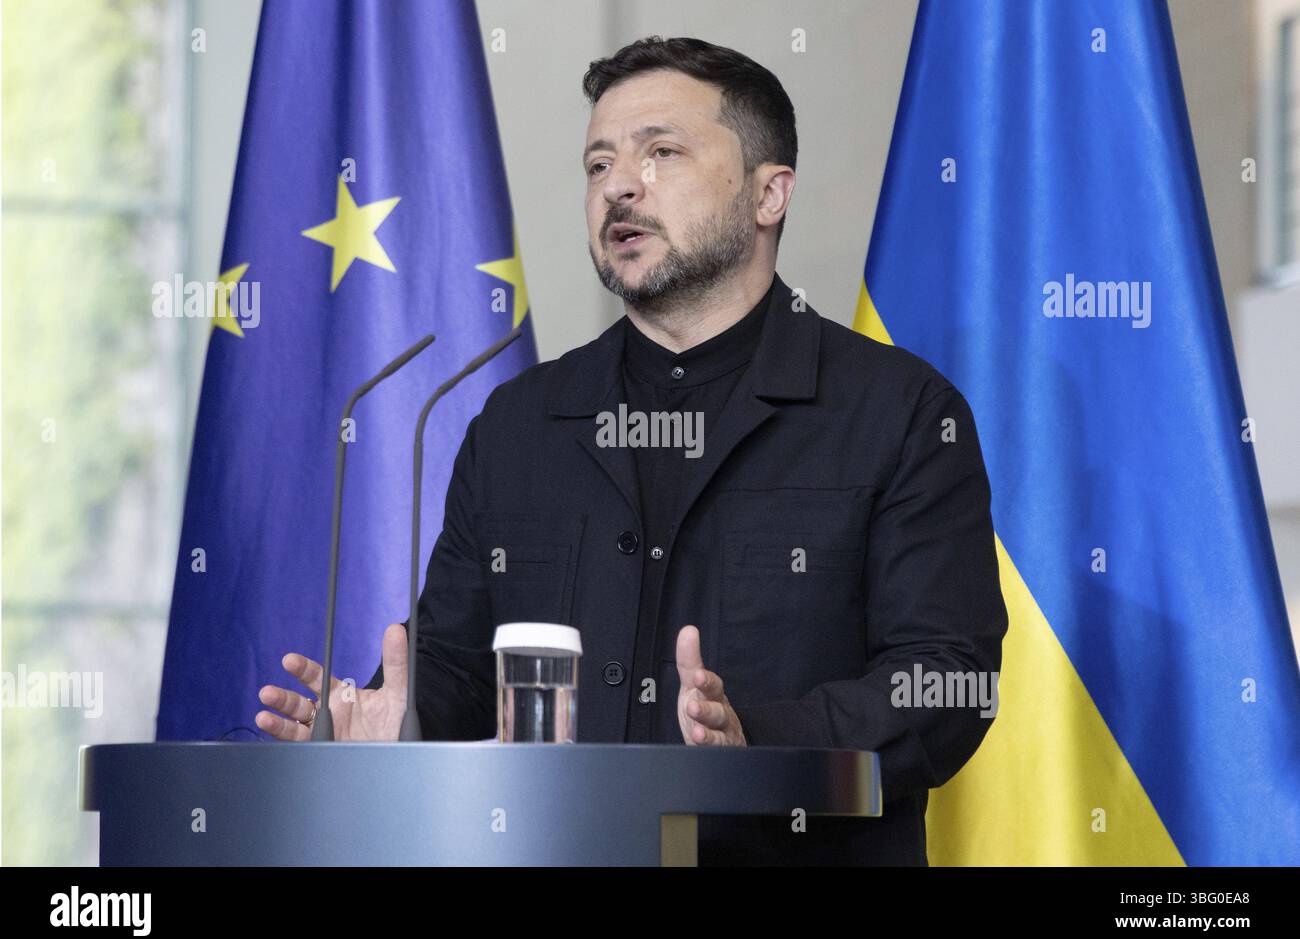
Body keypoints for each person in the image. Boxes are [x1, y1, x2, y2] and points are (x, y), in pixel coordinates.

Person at [256, 35, 1007, 865]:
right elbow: (463, 668)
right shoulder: (520, 424)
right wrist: (395, 722)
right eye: (599, 164)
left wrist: (756, 739)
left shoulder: (900, 413)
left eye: (661, 153)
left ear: (769, 194)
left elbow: (945, 684)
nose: (619, 185)